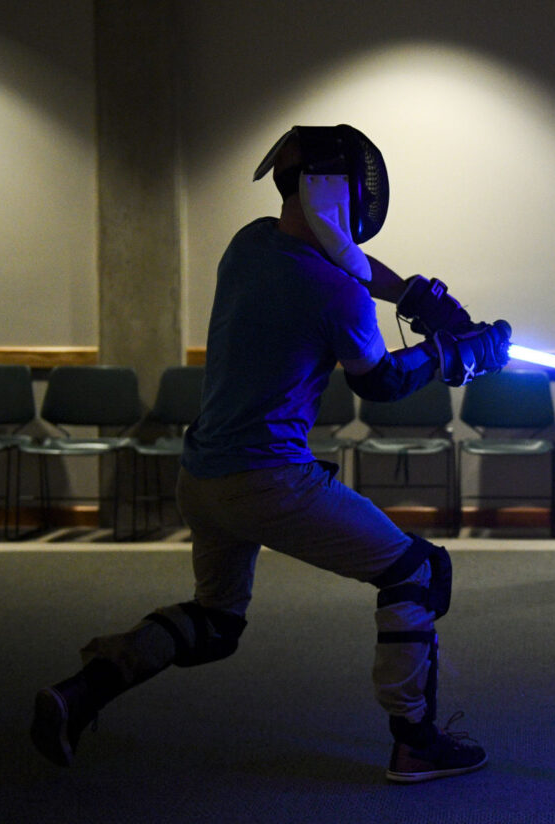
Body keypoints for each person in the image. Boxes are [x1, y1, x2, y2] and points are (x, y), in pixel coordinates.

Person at [30, 124, 511, 784]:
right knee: (416, 574)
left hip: (202, 479)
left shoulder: (250, 242)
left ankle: (80, 691)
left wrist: (414, 297)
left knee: (215, 621)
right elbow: (382, 383)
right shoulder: (333, 293)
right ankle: (416, 741)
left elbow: (345, 262)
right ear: (343, 195)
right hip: (269, 481)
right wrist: (457, 352)